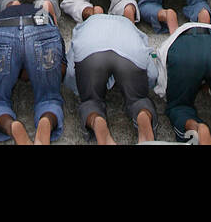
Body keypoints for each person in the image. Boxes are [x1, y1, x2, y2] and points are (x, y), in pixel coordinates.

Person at [66, 11, 157, 144]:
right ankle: (143, 117)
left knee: (91, 101)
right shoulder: (130, 26)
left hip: (91, 53)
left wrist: (79, 87)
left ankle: (97, 121)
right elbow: (152, 72)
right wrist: (144, 87)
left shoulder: (84, 25)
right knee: (138, 99)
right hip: (129, 55)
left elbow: (70, 71)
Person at [0, 2, 66, 144]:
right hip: (41, 28)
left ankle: (11, 125)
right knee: (49, 99)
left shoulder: (2, 14)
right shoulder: (43, 14)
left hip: (2, 29)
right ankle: (46, 120)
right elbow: (62, 67)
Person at [155, 16, 211, 145]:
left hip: (185, 52)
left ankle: (197, 127)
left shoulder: (172, 39)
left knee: (179, 106)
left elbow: (164, 86)